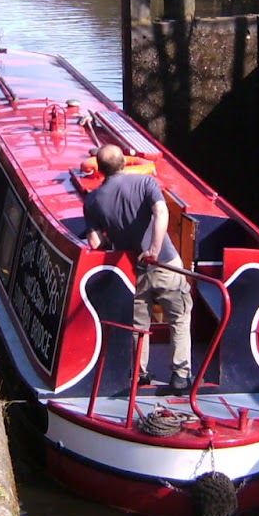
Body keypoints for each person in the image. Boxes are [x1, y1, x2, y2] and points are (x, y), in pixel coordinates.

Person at [81, 144, 193, 392]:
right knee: (179, 318)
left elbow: (95, 242)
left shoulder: (92, 200)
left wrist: (113, 238)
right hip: (165, 263)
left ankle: (141, 374)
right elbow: (161, 212)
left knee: (138, 325)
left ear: (99, 169)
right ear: (125, 162)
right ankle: (180, 376)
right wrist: (154, 249)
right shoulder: (145, 184)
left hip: (133, 269)